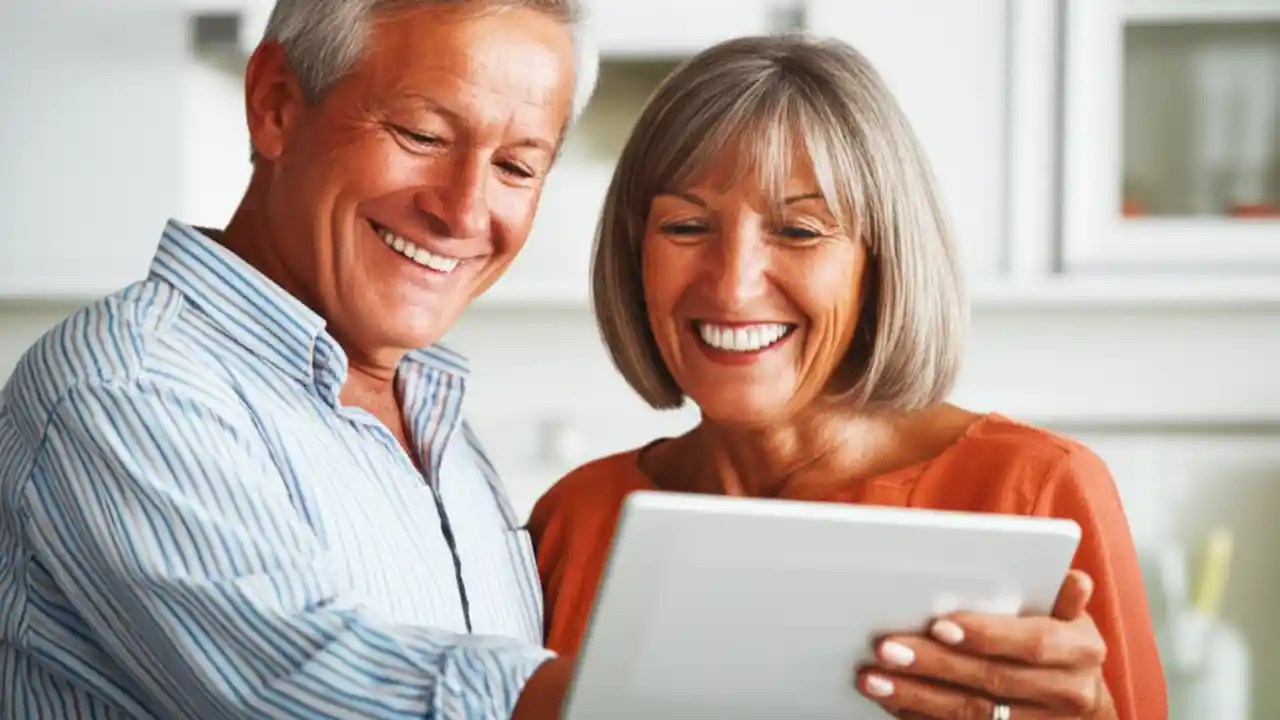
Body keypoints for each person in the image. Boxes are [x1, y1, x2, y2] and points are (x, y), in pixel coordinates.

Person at [529, 35, 1167, 719]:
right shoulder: (579, 517)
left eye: (800, 232)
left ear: (880, 260)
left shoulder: (1033, 488)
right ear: (634, 257)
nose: (734, 287)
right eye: (686, 226)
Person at [0, 1, 594, 717]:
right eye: (422, 134)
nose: (465, 212)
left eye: (516, 167)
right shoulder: (129, 385)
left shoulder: (440, 426)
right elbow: (320, 688)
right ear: (276, 104)